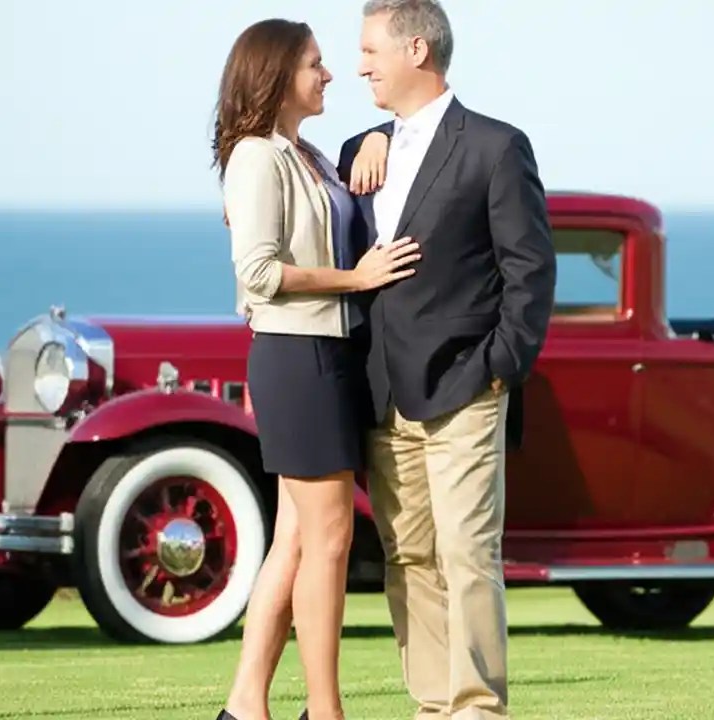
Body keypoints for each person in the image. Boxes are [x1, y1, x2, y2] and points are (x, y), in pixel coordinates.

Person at [335, 1, 557, 718]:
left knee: (467, 557)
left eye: (371, 50)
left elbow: (530, 270)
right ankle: (433, 705)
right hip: (383, 393)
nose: (360, 64)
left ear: (418, 51)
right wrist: (373, 138)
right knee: (408, 561)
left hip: (466, 387)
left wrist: (500, 365)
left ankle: (476, 709)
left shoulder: (496, 146)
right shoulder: (359, 149)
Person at [211, 17, 416, 720]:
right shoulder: (257, 158)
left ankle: (244, 705)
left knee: (296, 539)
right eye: (314, 65)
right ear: (274, 76)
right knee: (329, 536)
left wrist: (385, 138)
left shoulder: (312, 155)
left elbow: (354, 195)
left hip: (327, 355)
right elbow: (259, 274)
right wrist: (356, 281)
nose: (329, 75)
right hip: (300, 359)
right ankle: (324, 711)